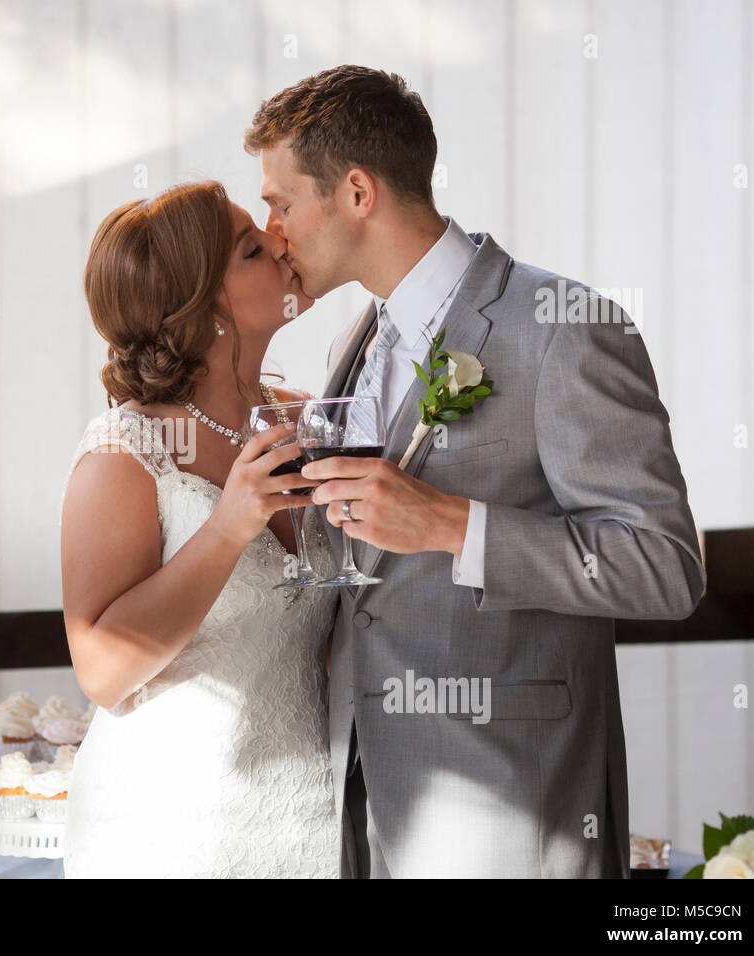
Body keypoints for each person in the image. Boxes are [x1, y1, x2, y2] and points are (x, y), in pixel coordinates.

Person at [245, 65, 705, 877]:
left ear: (357, 192)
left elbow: (663, 567)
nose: (272, 229)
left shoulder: (564, 329)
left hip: (512, 807)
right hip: (368, 801)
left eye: (280, 203)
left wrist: (453, 524)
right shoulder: (350, 344)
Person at [59, 180, 341, 877]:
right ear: (201, 312)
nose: (280, 243)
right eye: (252, 248)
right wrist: (226, 528)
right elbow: (101, 671)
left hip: (316, 825)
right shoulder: (123, 454)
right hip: (169, 832)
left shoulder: (313, 420)